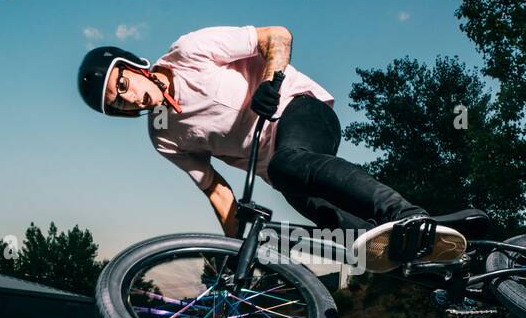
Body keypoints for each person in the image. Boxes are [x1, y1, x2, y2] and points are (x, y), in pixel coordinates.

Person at [77, 25, 475, 272]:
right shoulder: (164, 136)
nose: (129, 101)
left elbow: (276, 36)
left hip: (300, 112)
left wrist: (270, 82)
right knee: (356, 245)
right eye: (118, 104)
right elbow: (217, 191)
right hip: (285, 174)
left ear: (135, 66)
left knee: (288, 163)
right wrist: (235, 250)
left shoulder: (190, 52)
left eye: (124, 87)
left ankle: (406, 213)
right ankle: (454, 271)